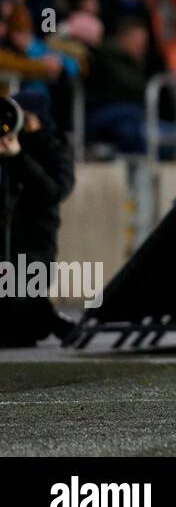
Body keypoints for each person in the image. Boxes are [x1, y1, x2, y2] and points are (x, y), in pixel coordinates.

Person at [0, 92, 77, 347]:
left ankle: (48, 321)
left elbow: (53, 191)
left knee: (21, 323)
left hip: (35, 240)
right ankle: (49, 320)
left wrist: (20, 157)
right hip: (6, 237)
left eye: (28, 118)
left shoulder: (55, 146)